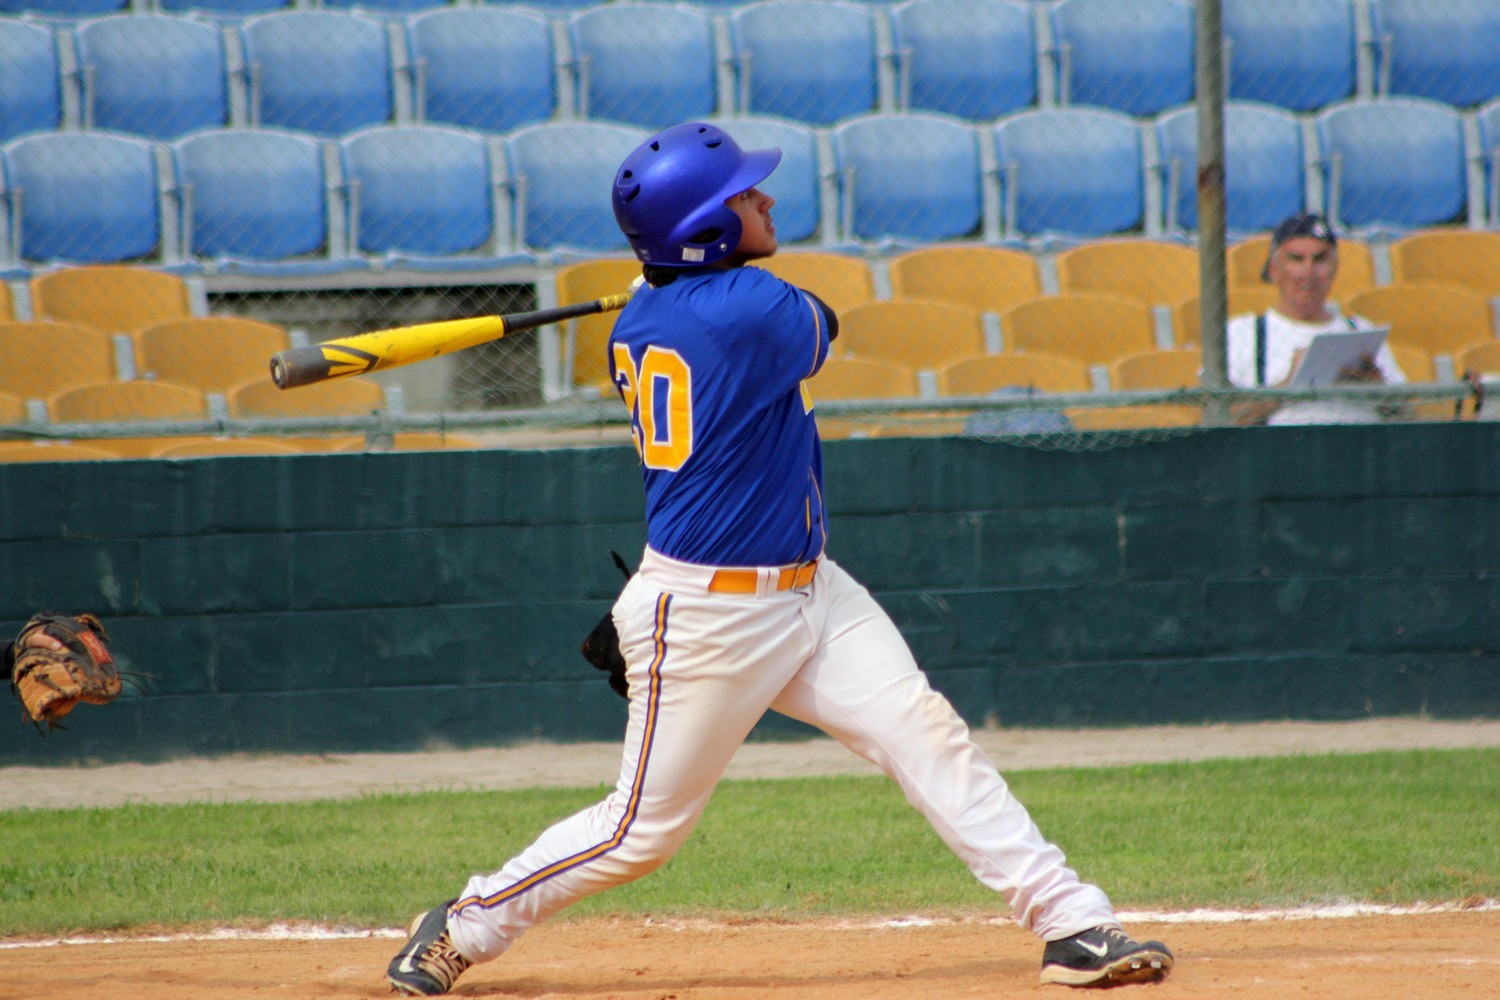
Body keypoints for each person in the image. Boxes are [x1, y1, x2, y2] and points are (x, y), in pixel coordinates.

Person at [385, 122, 1173, 996]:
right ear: (706, 231)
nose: (764, 201)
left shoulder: (643, 323)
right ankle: (463, 923)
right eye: (743, 196)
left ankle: (1069, 921)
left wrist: (669, 283)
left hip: (812, 592)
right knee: (640, 834)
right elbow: (825, 325)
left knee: (926, 736)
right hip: (709, 614)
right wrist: (692, 286)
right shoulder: (751, 308)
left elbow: (698, 314)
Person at [1225, 212, 1405, 426]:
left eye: (1319, 259)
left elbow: (1409, 417)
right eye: (1296, 259)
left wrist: (1380, 394)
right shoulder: (1243, 333)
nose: (1308, 272)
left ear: (1335, 268)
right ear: (1274, 269)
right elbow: (1217, 420)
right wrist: (1289, 386)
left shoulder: (1361, 331)